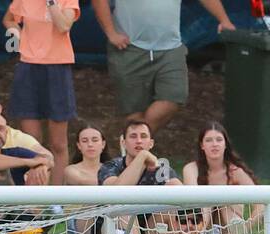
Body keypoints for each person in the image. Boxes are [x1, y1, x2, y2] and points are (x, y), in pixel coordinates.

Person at [93, 0, 235, 134]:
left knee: (174, 97)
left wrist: (224, 20)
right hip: (129, 47)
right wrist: (111, 33)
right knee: (133, 112)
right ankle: (137, 153)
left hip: (171, 47)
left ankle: (136, 146)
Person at [2, 0, 80, 185]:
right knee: (32, 142)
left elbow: (63, 26)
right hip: (29, 67)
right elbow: (9, 19)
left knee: (58, 143)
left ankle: (56, 199)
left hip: (57, 69)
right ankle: (34, 198)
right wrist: (18, 35)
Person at [180, 121, 263, 234]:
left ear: (225, 145)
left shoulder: (235, 171)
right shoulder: (191, 169)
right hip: (201, 221)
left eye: (219, 140)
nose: (214, 144)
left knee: (228, 201)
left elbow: (261, 202)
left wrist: (247, 226)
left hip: (228, 225)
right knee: (205, 200)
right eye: (209, 140)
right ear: (202, 145)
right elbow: (192, 199)